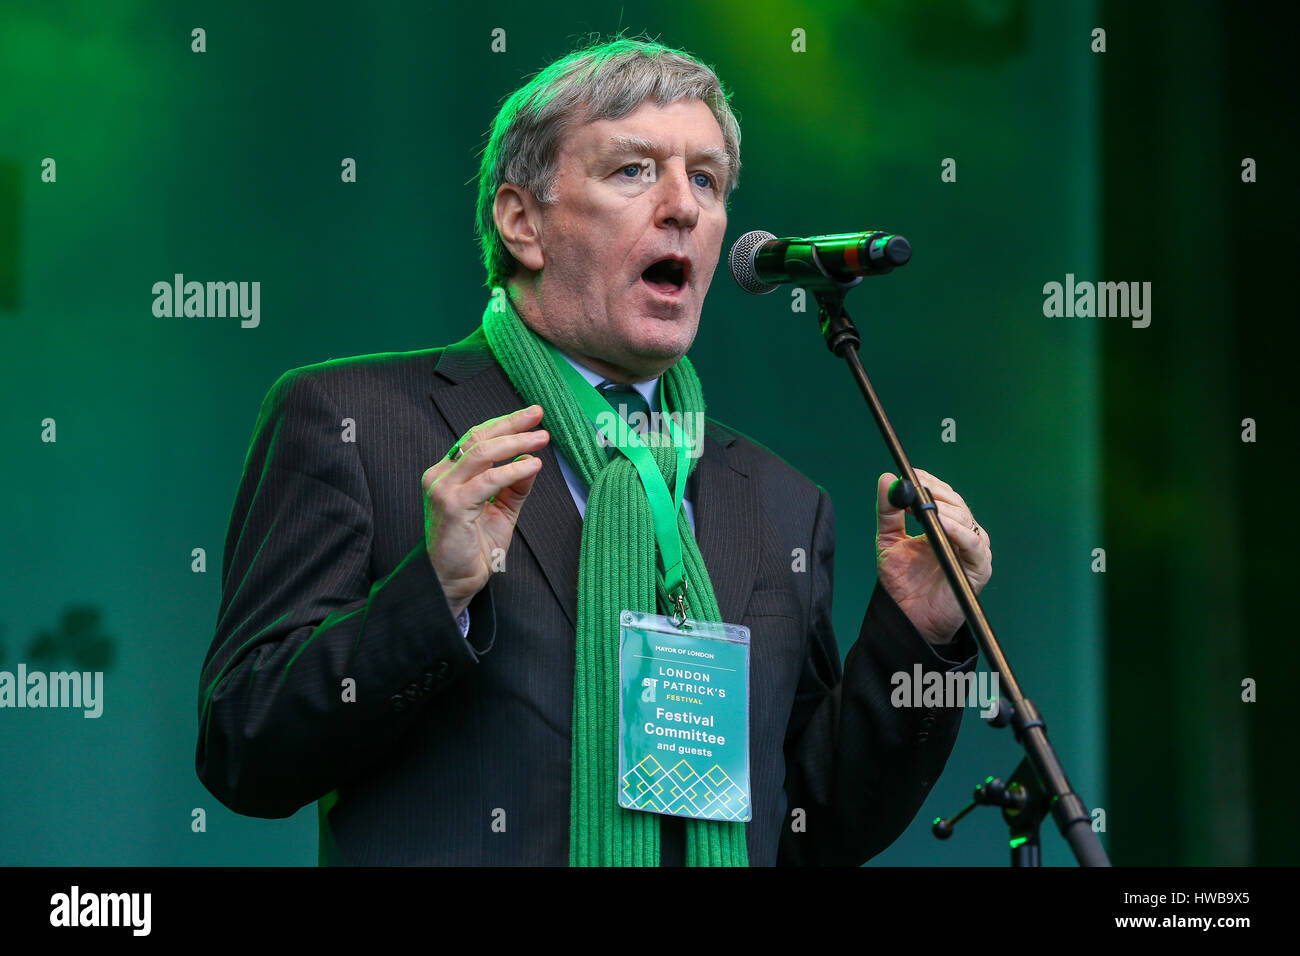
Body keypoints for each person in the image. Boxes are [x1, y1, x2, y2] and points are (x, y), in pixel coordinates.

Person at [196, 36, 992, 866]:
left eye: (708, 179)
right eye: (634, 171)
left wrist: (922, 631)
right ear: (522, 222)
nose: (683, 206)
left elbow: (812, 823)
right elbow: (243, 748)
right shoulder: (355, 422)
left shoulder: (780, 501)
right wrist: (436, 594)